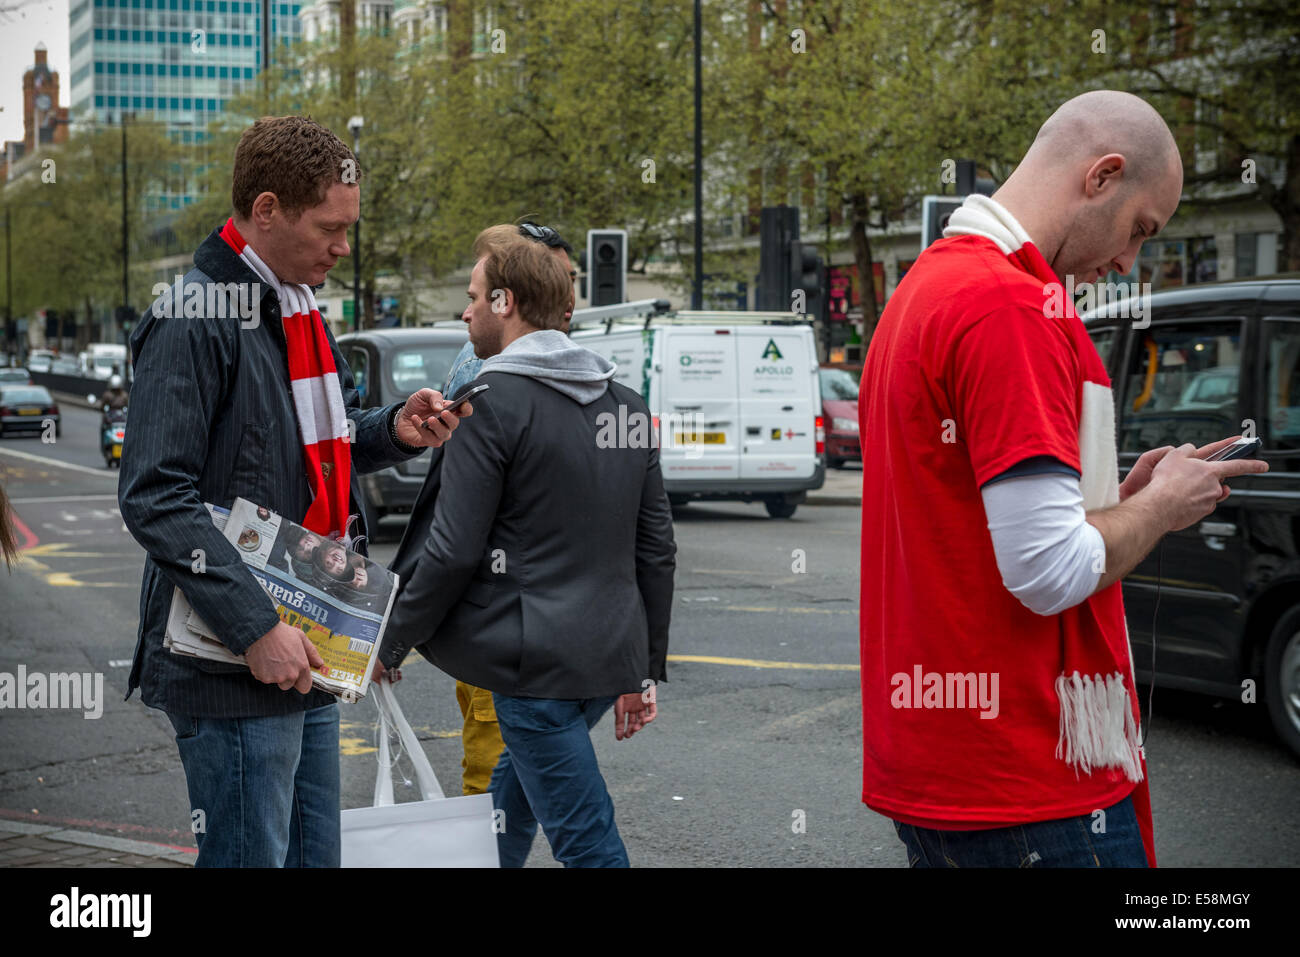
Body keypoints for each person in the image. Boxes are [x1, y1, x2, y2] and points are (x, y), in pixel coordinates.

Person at [858, 89, 1269, 868]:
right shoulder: (1012, 307)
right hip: (1030, 779)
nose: (1127, 262)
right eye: (1140, 230)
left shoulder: (925, 291)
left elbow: (975, 521)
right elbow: (1048, 568)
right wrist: (1160, 507)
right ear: (1102, 176)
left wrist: (1122, 499)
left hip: (951, 769)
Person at [117, 115, 470, 868]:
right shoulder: (195, 316)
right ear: (268, 209)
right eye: (330, 227)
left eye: (350, 227)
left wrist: (394, 431)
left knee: (314, 858)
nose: (344, 246)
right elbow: (155, 493)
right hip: (235, 660)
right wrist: (253, 627)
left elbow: (317, 452)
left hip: (305, 640)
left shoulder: (296, 305)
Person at [378, 236, 676, 867]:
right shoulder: (626, 405)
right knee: (506, 810)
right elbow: (655, 549)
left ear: (505, 302)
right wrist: (641, 666)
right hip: (601, 661)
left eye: (473, 298)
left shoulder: (486, 407)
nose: (465, 313)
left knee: (589, 843)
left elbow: (454, 551)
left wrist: (389, 640)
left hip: (532, 668)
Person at [391, 221, 578, 797]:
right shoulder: (491, 374)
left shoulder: (545, 368)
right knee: (500, 787)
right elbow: (454, 532)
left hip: (522, 630)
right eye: (559, 279)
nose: (567, 297)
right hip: (508, 633)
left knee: (527, 794)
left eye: (571, 281)